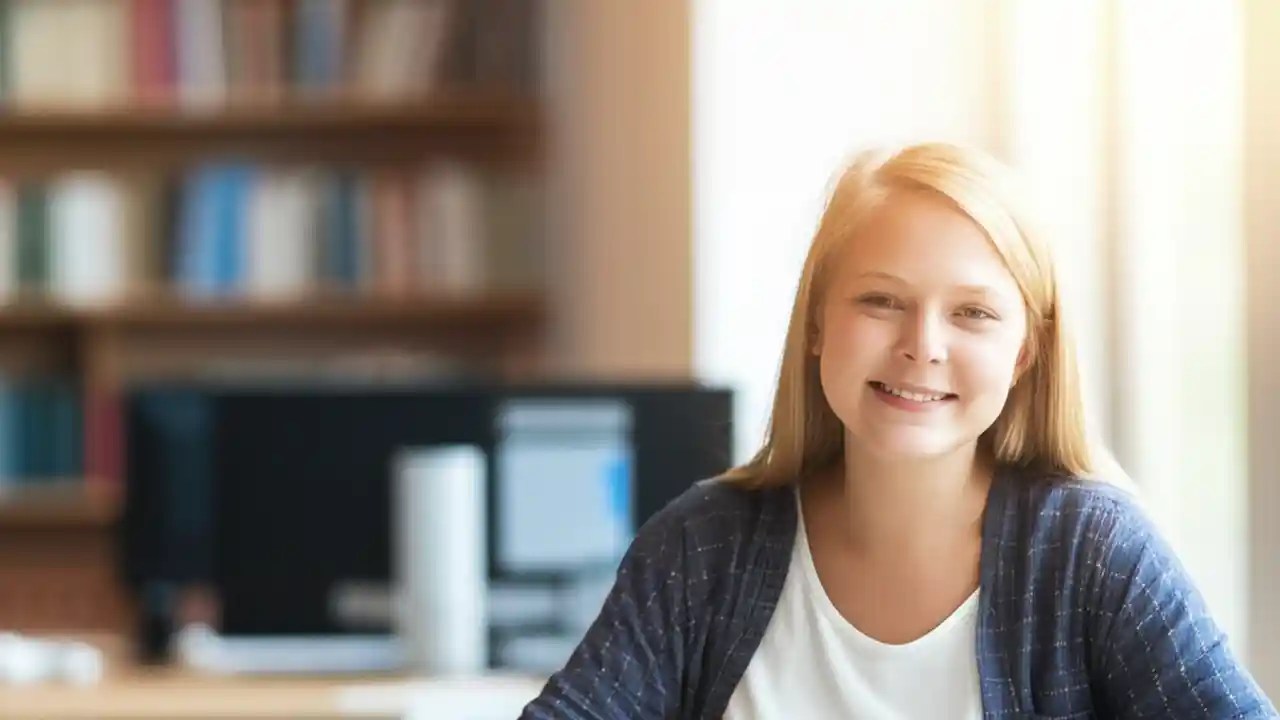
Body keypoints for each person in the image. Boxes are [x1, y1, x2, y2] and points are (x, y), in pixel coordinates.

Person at [519, 142, 1277, 719]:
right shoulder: (704, 547)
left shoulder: (1091, 553)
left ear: (1025, 353)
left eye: (973, 313)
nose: (923, 344)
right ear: (817, 323)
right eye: (882, 301)